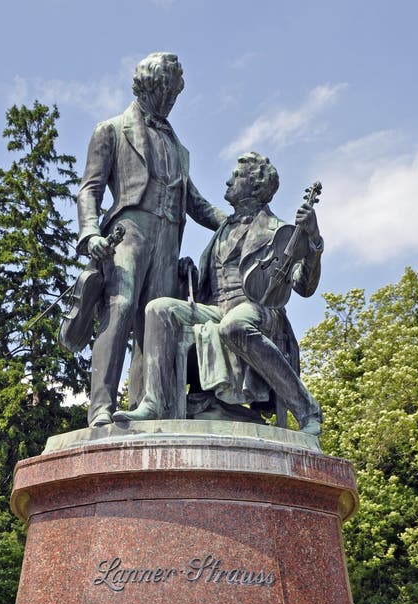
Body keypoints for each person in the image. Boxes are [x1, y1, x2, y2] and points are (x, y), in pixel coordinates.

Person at [113, 151, 323, 435]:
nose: (228, 182)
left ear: (255, 186)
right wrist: (190, 273)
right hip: (217, 307)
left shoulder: (278, 231)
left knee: (234, 324)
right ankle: (154, 403)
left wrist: (314, 242)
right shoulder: (223, 228)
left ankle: (307, 409)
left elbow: (304, 286)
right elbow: (211, 281)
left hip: (259, 308)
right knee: (158, 308)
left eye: (236, 177)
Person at [76, 51, 224, 427]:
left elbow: (195, 202)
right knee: (121, 307)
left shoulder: (178, 148)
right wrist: (90, 232)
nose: (172, 100)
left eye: (175, 94)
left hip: (169, 237)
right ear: (150, 87)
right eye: (167, 93)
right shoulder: (111, 130)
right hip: (129, 232)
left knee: (155, 323)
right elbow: (90, 189)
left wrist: (238, 220)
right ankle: (101, 406)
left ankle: (145, 405)